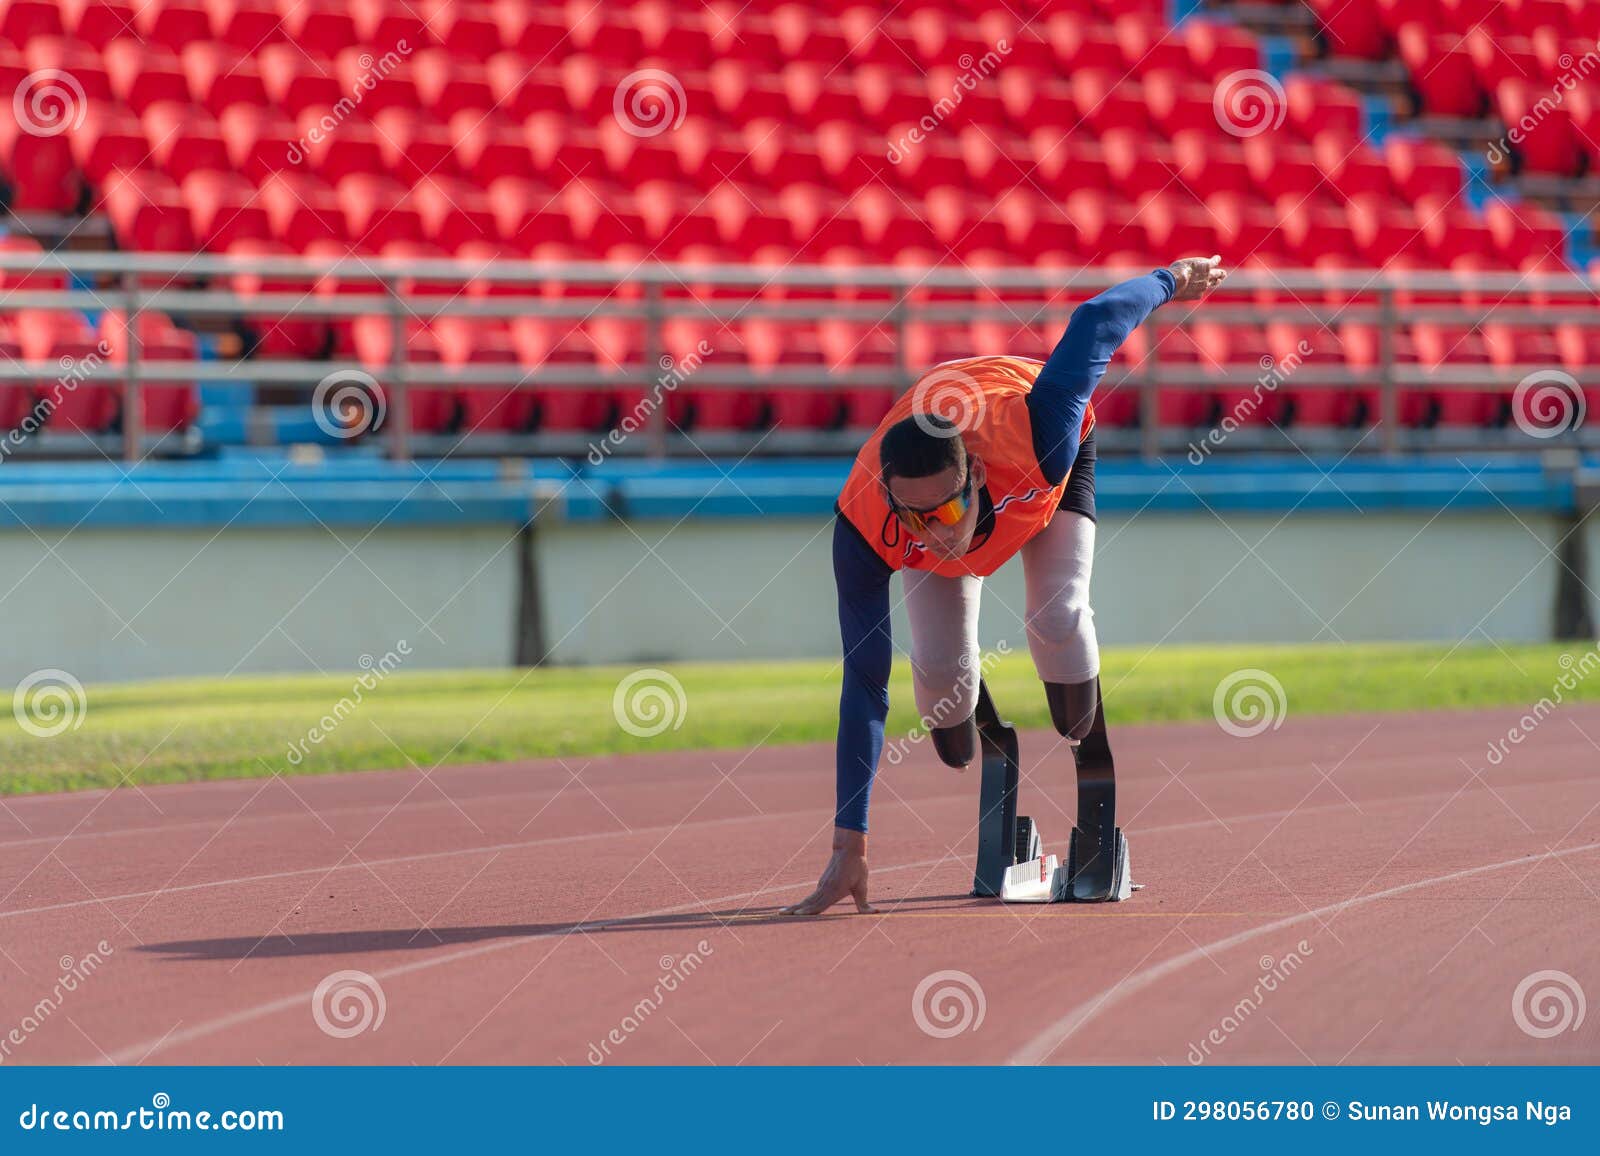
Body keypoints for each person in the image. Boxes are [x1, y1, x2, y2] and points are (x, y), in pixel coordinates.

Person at [781, 255, 1229, 916]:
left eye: (949, 511)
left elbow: (1097, 322)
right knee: (938, 683)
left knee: (1056, 616)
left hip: (1042, 476)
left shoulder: (1038, 433)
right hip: (953, 458)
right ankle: (986, 746)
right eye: (917, 520)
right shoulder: (866, 523)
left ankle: (1091, 760)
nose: (937, 534)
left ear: (976, 480)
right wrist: (851, 843)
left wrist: (1171, 279)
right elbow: (866, 683)